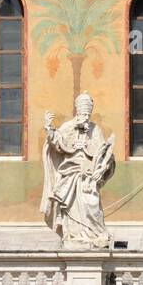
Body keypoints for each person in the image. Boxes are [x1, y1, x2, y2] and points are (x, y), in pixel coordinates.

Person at [41, 92, 116, 249]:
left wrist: (90, 149)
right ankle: (74, 235)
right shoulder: (68, 127)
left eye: (87, 114)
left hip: (87, 176)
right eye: (83, 114)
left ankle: (95, 233)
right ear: (77, 112)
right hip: (70, 172)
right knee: (71, 207)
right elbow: (58, 144)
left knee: (92, 204)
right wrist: (50, 129)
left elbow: (102, 152)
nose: (85, 117)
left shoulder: (95, 130)